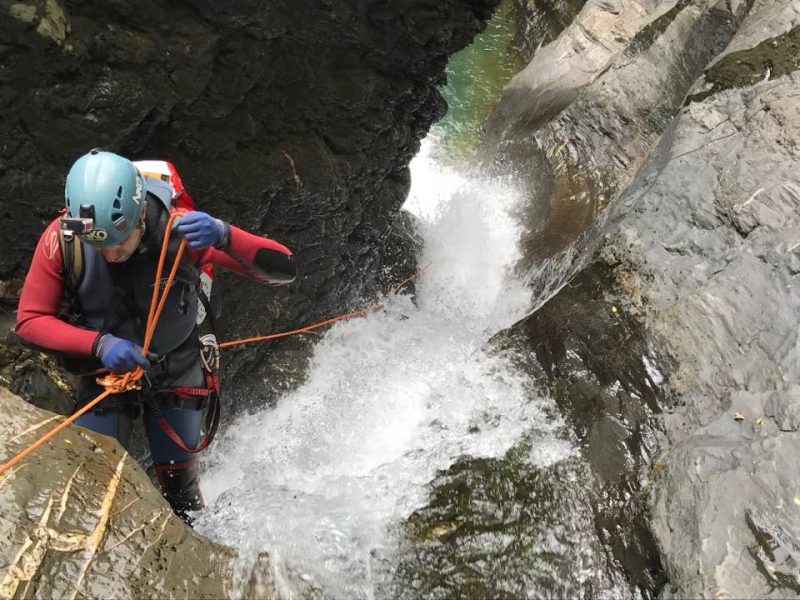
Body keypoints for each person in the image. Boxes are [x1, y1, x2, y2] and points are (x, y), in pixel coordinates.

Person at [15, 149, 296, 522]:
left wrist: (225, 235)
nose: (112, 254)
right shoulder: (65, 237)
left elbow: (283, 269)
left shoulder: (180, 233)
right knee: (90, 481)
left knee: (181, 490)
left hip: (177, 370)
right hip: (107, 377)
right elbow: (30, 319)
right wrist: (100, 345)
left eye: (120, 242)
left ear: (141, 215)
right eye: (102, 246)